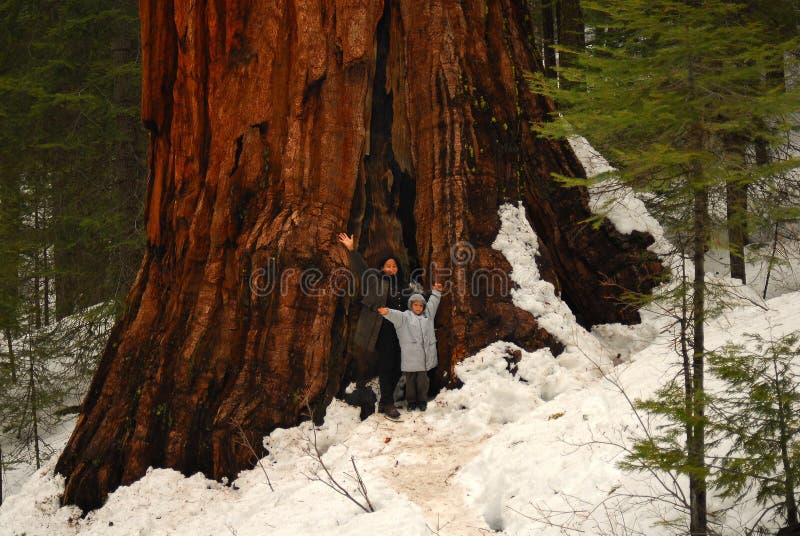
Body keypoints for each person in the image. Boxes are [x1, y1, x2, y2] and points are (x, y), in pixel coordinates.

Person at [338, 232, 405, 419]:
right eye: (388, 266)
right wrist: (351, 249)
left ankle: (385, 401)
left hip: (400, 331)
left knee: (399, 364)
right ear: (382, 268)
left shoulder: (403, 285)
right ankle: (388, 402)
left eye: (394, 266)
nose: (391, 269)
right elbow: (361, 269)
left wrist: (436, 293)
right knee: (387, 364)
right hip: (382, 329)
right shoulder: (375, 280)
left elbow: (415, 301)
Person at [378, 282, 442, 411]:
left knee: (423, 381)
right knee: (411, 382)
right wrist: (387, 312)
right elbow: (396, 315)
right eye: (415, 305)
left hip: (424, 359)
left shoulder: (427, 315)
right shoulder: (405, 317)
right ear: (411, 305)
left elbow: (433, 303)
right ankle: (411, 401)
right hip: (410, 358)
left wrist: (436, 292)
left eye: (420, 305)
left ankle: (422, 400)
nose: (418, 308)